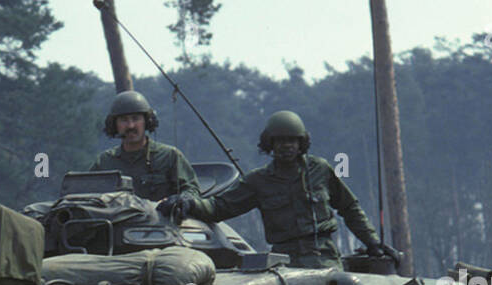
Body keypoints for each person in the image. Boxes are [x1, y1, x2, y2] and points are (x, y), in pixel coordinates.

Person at [163, 110, 401, 270]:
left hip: (326, 259)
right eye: (280, 141)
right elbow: (219, 208)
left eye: (292, 140)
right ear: (270, 144)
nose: (286, 146)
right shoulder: (259, 181)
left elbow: (349, 207)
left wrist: (372, 242)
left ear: (301, 143)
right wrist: (190, 202)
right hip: (285, 263)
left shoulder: (320, 170)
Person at [89, 91, 200, 204]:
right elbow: (86, 194)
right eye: (124, 120)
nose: (130, 126)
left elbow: (192, 191)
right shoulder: (105, 162)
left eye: (135, 118)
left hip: (160, 219)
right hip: (116, 220)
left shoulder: (169, 156)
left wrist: (178, 200)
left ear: (147, 121)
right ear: (115, 125)